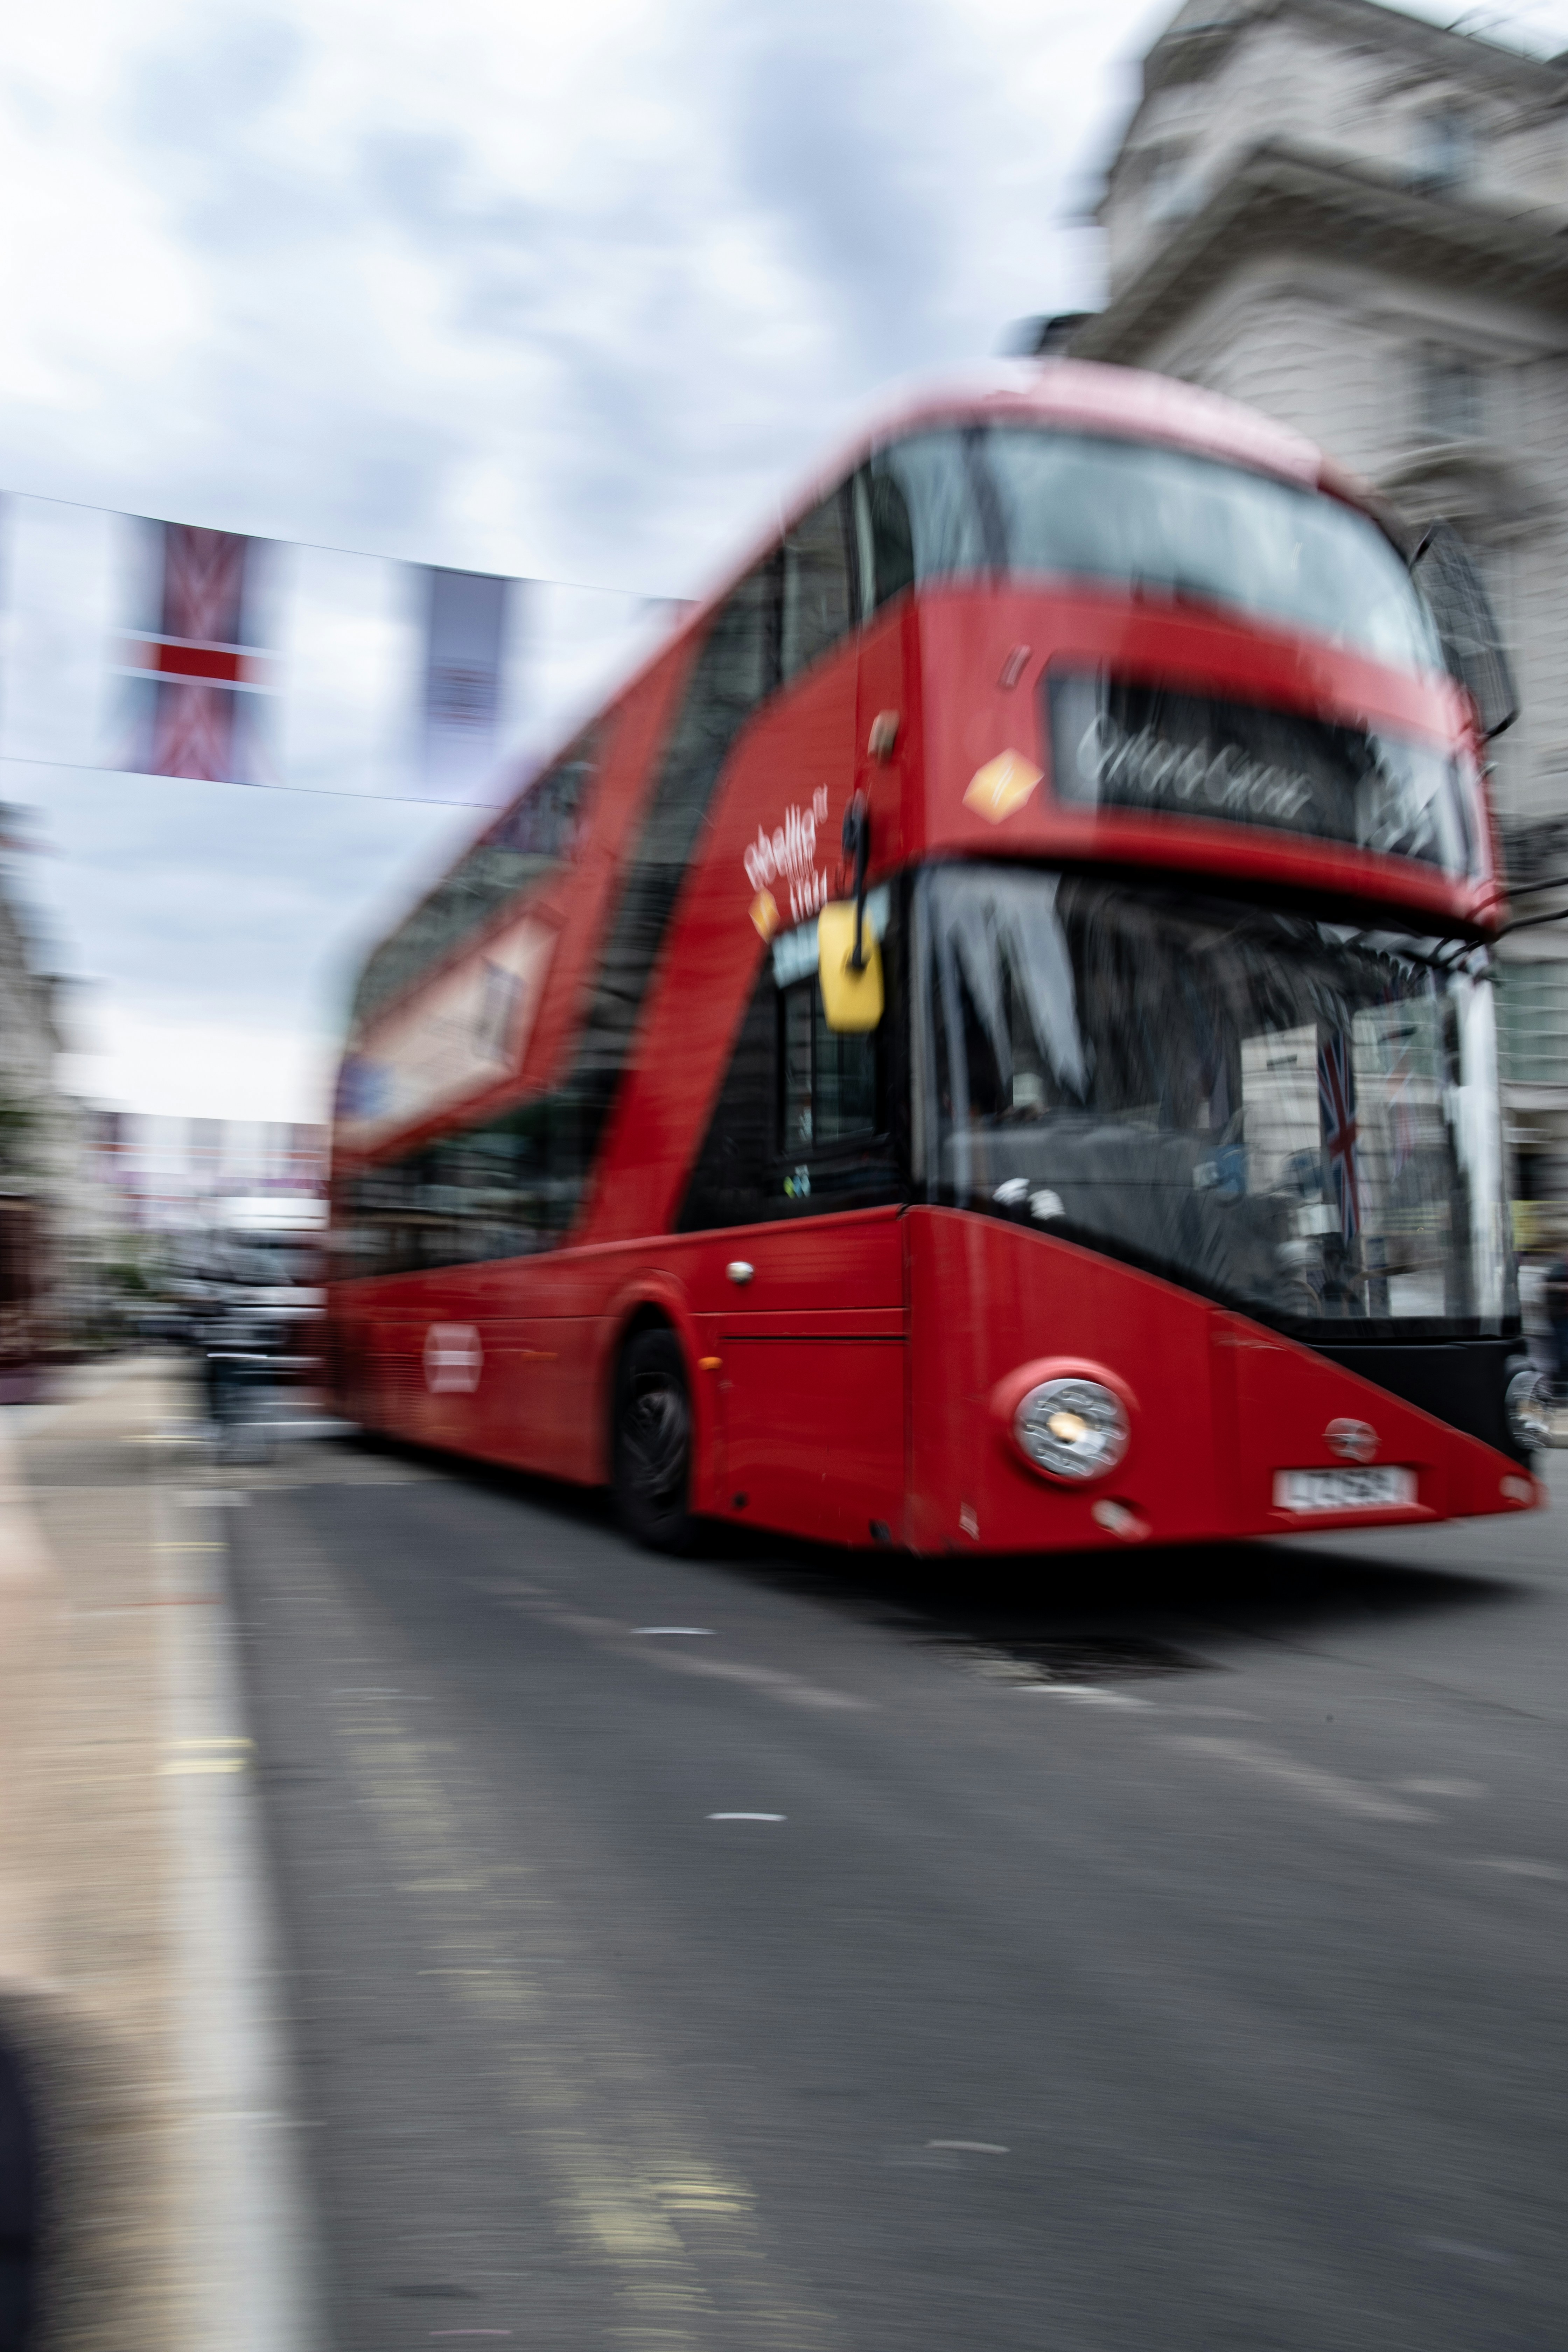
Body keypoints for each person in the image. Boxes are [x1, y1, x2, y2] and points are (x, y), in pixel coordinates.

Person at [1545, 1248, 1568, 1402]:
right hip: (1560, 1319)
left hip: (1561, 1318)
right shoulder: (1558, 1271)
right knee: (1563, 1351)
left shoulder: (1559, 1270)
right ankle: (1561, 1387)